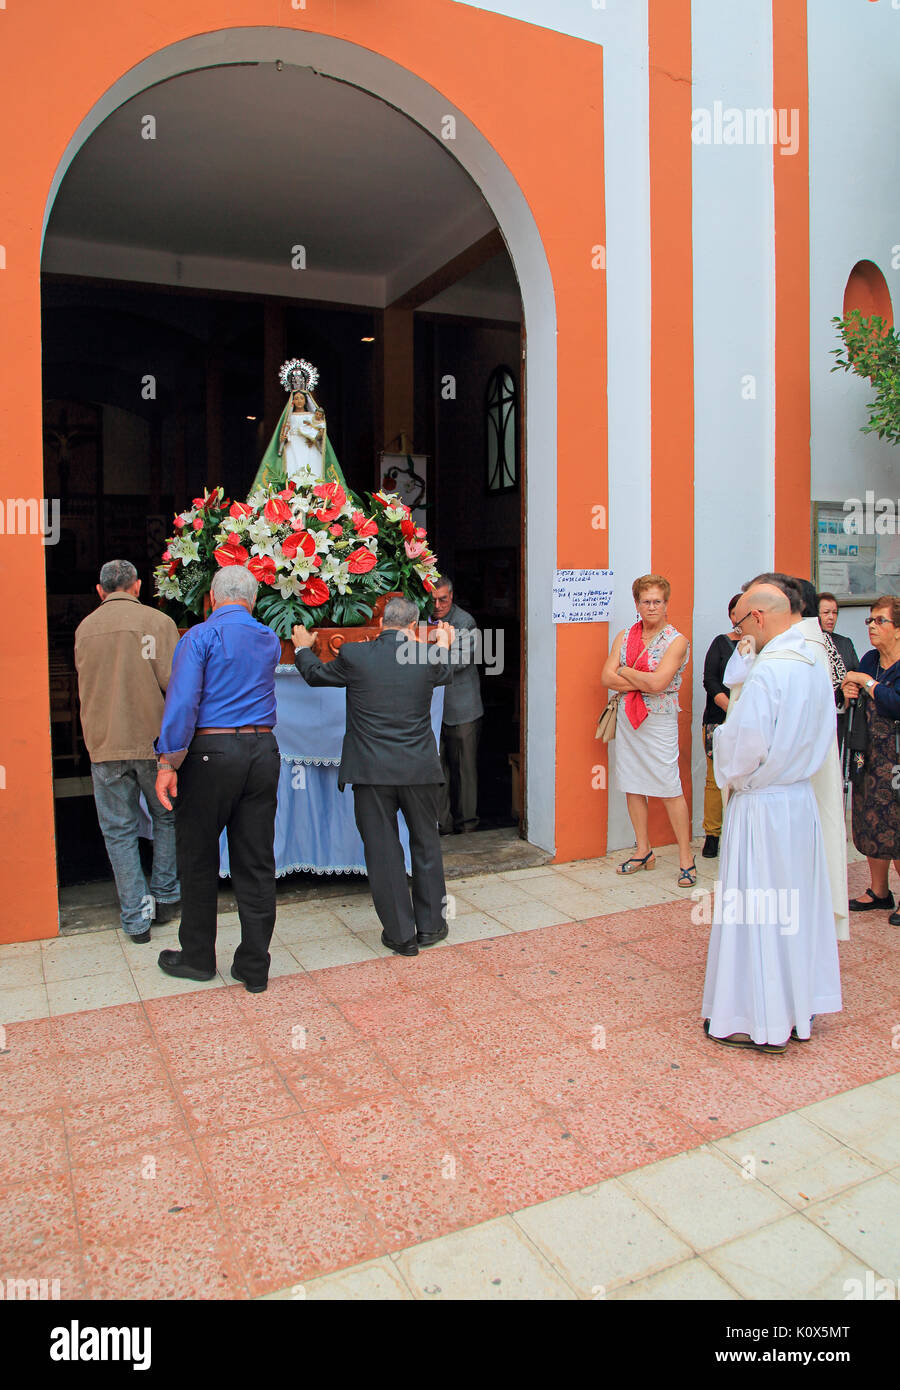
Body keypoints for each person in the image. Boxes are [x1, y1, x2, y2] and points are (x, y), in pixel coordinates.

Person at [702, 583, 842, 1052]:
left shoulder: (769, 674)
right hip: (797, 802)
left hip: (762, 806)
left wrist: (718, 745)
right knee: (793, 911)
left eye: (741, 622)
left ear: (759, 618)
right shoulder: (811, 662)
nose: (738, 632)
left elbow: (742, 749)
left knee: (759, 911)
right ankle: (795, 1008)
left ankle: (758, 1017)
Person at [292, 597, 453, 956]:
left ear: (381, 624)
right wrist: (442, 643)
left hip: (371, 771)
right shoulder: (425, 657)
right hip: (418, 770)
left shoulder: (355, 655)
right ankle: (431, 926)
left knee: (382, 852)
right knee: (426, 844)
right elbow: (444, 670)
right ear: (413, 627)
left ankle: (400, 935)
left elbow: (315, 676)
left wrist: (303, 649)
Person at [154, 565, 281, 993]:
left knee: (198, 856)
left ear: (211, 596)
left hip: (211, 754)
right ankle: (254, 965)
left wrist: (168, 762)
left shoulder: (199, 637)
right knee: (257, 861)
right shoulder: (267, 638)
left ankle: (197, 957)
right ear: (255, 599)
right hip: (263, 751)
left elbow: (184, 702)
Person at [724, 571, 850, 942]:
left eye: (745, 620)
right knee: (793, 885)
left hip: (768, 784)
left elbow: (749, 739)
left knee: (771, 894)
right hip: (795, 784)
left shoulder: (788, 656)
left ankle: (768, 966)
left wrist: (727, 751)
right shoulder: (804, 652)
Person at [74, 559, 181, 942]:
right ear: (138, 586)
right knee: (165, 819)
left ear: (101, 591)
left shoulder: (85, 629)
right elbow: (174, 685)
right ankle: (166, 897)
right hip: (152, 742)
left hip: (104, 743)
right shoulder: (157, 624)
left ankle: (136, 918)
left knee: (118, 831)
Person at [601, 574, 695, 885]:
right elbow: (605, 677)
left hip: (659, 720)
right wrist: (639, 680)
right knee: (633, 784)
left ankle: (686, 857)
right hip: (630, 718)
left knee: (669, 786)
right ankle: (643, 850)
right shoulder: (625, 635)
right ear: (637, 604)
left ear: (666, 604)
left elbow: (659, 683)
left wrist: (625, 671)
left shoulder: (676, 641)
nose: (651, 606)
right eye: (645, 601)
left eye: (657, 601)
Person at [841, 595, 900, 923]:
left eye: (880, 621)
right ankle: (880, 891)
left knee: (898, 826)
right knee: (871, 822)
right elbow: (855, 693)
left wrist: (866, 682)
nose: (873, 627)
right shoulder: (869, 659)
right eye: (870, 621)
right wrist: (851, 691)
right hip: (870, 756)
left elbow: (895, 703)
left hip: (897, 758)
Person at [431, 577, 484, 835]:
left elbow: (459, 660)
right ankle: (442, 823)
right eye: (434, 599)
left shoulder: (465, 622)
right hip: (432, 710)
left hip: (462, 708)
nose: (438, 605)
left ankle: (467, 826)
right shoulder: (422, 617)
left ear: (451, 596)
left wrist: (421, 665)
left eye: (443, 599)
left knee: (464, 772)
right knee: (436, 769)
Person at [251, 357, 348, 492]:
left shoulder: (312, 416)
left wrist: (315, 437)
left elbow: (321, 432)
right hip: (292, 446)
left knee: (312, 472)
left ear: (306, 399)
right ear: (292, 400)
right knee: (292, 472)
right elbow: (283, 434)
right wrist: (283, 440)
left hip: (309, 446)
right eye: (296, 398)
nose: (299, 400)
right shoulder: (288, 417)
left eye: (301, 398)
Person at [700, 595, 742, 858]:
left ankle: (738, 833)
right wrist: (730, 706)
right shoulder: (721, 643)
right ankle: (712, 835)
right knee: (714, 779)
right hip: (719, 718)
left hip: (749, 721)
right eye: (738, 613)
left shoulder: (763, 646)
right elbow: (710, 679)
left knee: (745, 779)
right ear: (731, 615)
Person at [818, 591, 860, 754]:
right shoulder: (809, 643)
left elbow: (856, 670)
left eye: (835, 613)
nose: (831, 617)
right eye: (826, 613)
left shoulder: (844, 642)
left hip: (843, 712)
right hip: (820, 714)